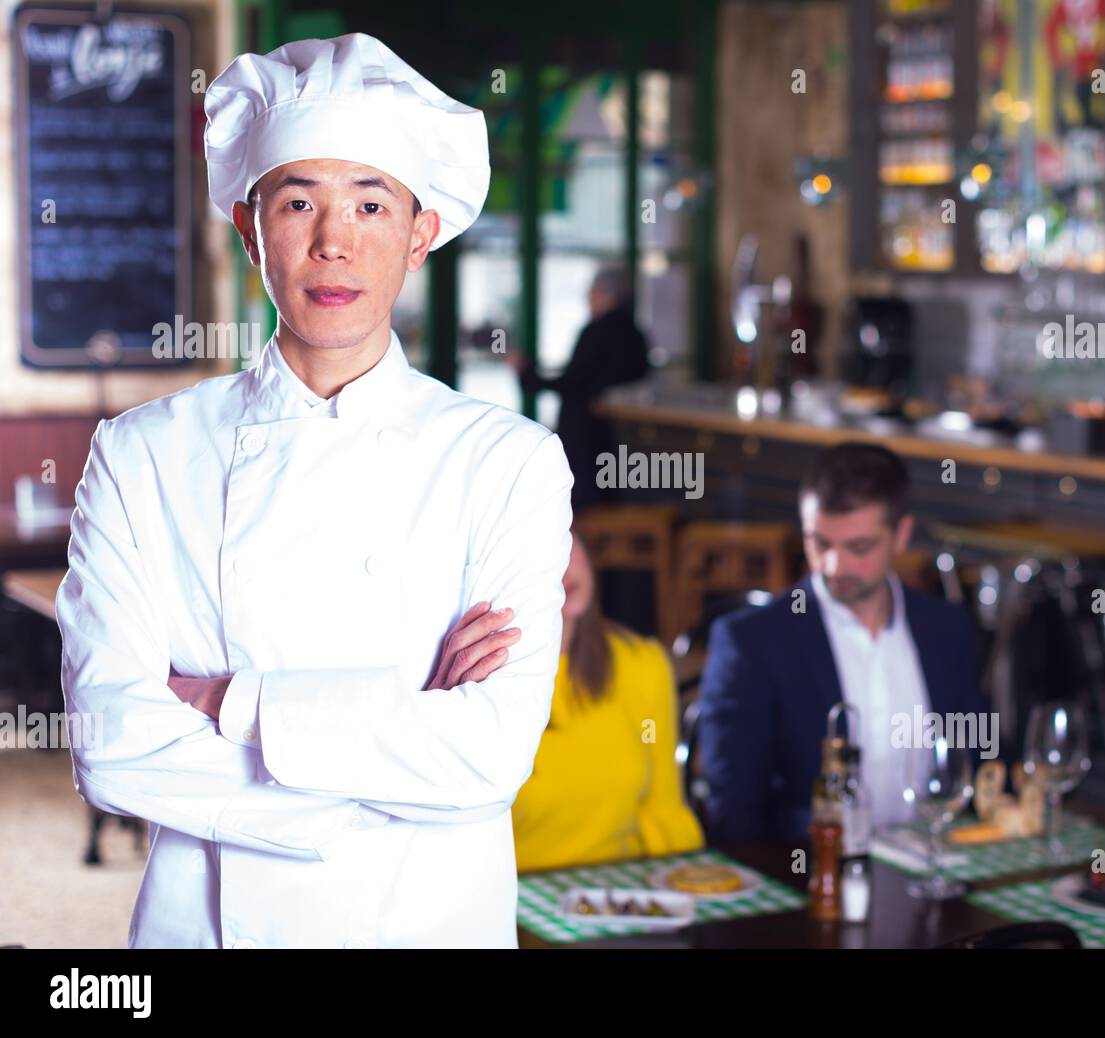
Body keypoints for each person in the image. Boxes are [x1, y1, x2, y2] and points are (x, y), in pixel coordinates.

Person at [55, 33, 573, 949]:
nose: (334, 242)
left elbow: (489, 755)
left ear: (421, 234)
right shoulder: (141, 456)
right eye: (299, 201)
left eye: (371, 204)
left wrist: (229, 705)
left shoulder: (509, 461)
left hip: (431, 925)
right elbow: (109, 745)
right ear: (252, 228)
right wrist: (395, 747)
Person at [695, 443, 985, 844]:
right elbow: (735, 818)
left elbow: (982, 763)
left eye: (859, 548)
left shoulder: (946, 628)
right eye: (819, 544)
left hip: (934, 868)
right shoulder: (752, 643)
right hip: (810, 881)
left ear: (901, 534)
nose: (834, 566)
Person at [511, 532, 703, 871]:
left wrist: (687, 894)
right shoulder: (484, 681)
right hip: (513, 904)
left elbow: (664, 811)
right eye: (538, 551)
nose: (562, 565)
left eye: (565, 539)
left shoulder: (642, 664)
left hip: (621, 900)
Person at [506, 267, 650, 515]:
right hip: (628, 441)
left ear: (605, 295)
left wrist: (526, 374)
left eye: (592, 293)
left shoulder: (596, 332)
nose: (588, 299)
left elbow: (573, 383)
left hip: (587, 437)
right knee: (610, 503)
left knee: (585, 507)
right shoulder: (635, 333)